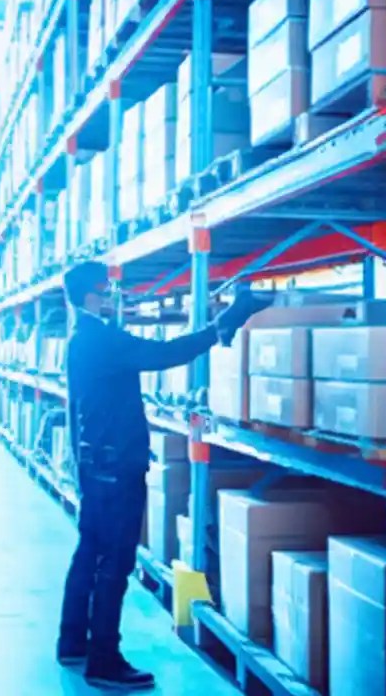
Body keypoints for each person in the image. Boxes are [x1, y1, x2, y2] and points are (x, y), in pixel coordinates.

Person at [56, 260, 270, 690]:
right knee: (115, 561)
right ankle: (104, 661)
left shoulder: (81, 340)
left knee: (89, 553)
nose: (117, 296)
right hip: (116, 466)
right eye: (109, 288)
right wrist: (221, 325)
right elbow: (164, 355)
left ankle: (73, 643)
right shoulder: (102, 340)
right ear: (92, 295)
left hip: (96, 463)